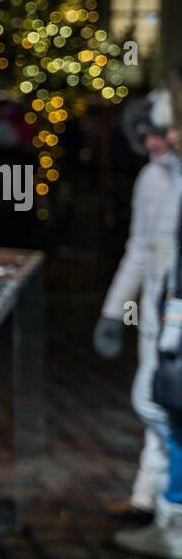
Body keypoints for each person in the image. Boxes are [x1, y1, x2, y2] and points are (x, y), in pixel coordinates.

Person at [94, 123, 182, 521]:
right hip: (156, 316)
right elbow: (140, 249)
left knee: (155, 402)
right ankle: (150, 498)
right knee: (161, 401)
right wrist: (115, 310)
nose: (153, 142)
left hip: (174, 321)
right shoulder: (151, 178)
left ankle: (171, 508)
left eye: (162, 131)